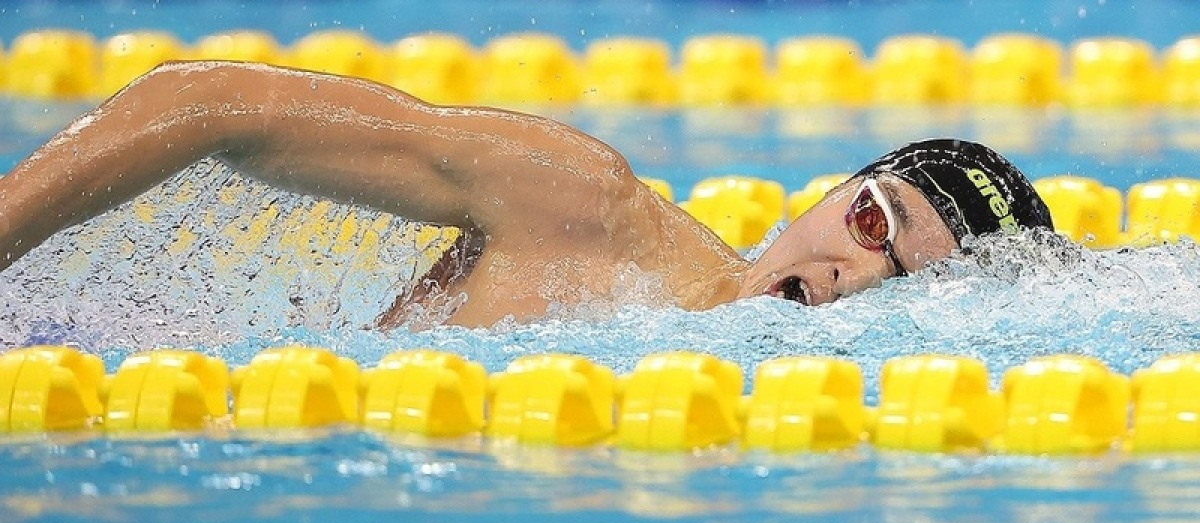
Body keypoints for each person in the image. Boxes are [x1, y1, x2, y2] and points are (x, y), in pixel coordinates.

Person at [0, 61, 1054, 328]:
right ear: (832, 194)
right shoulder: (583, 212)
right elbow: (203, 100)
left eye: (905, 285)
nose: (853, 277)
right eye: (872, 223)